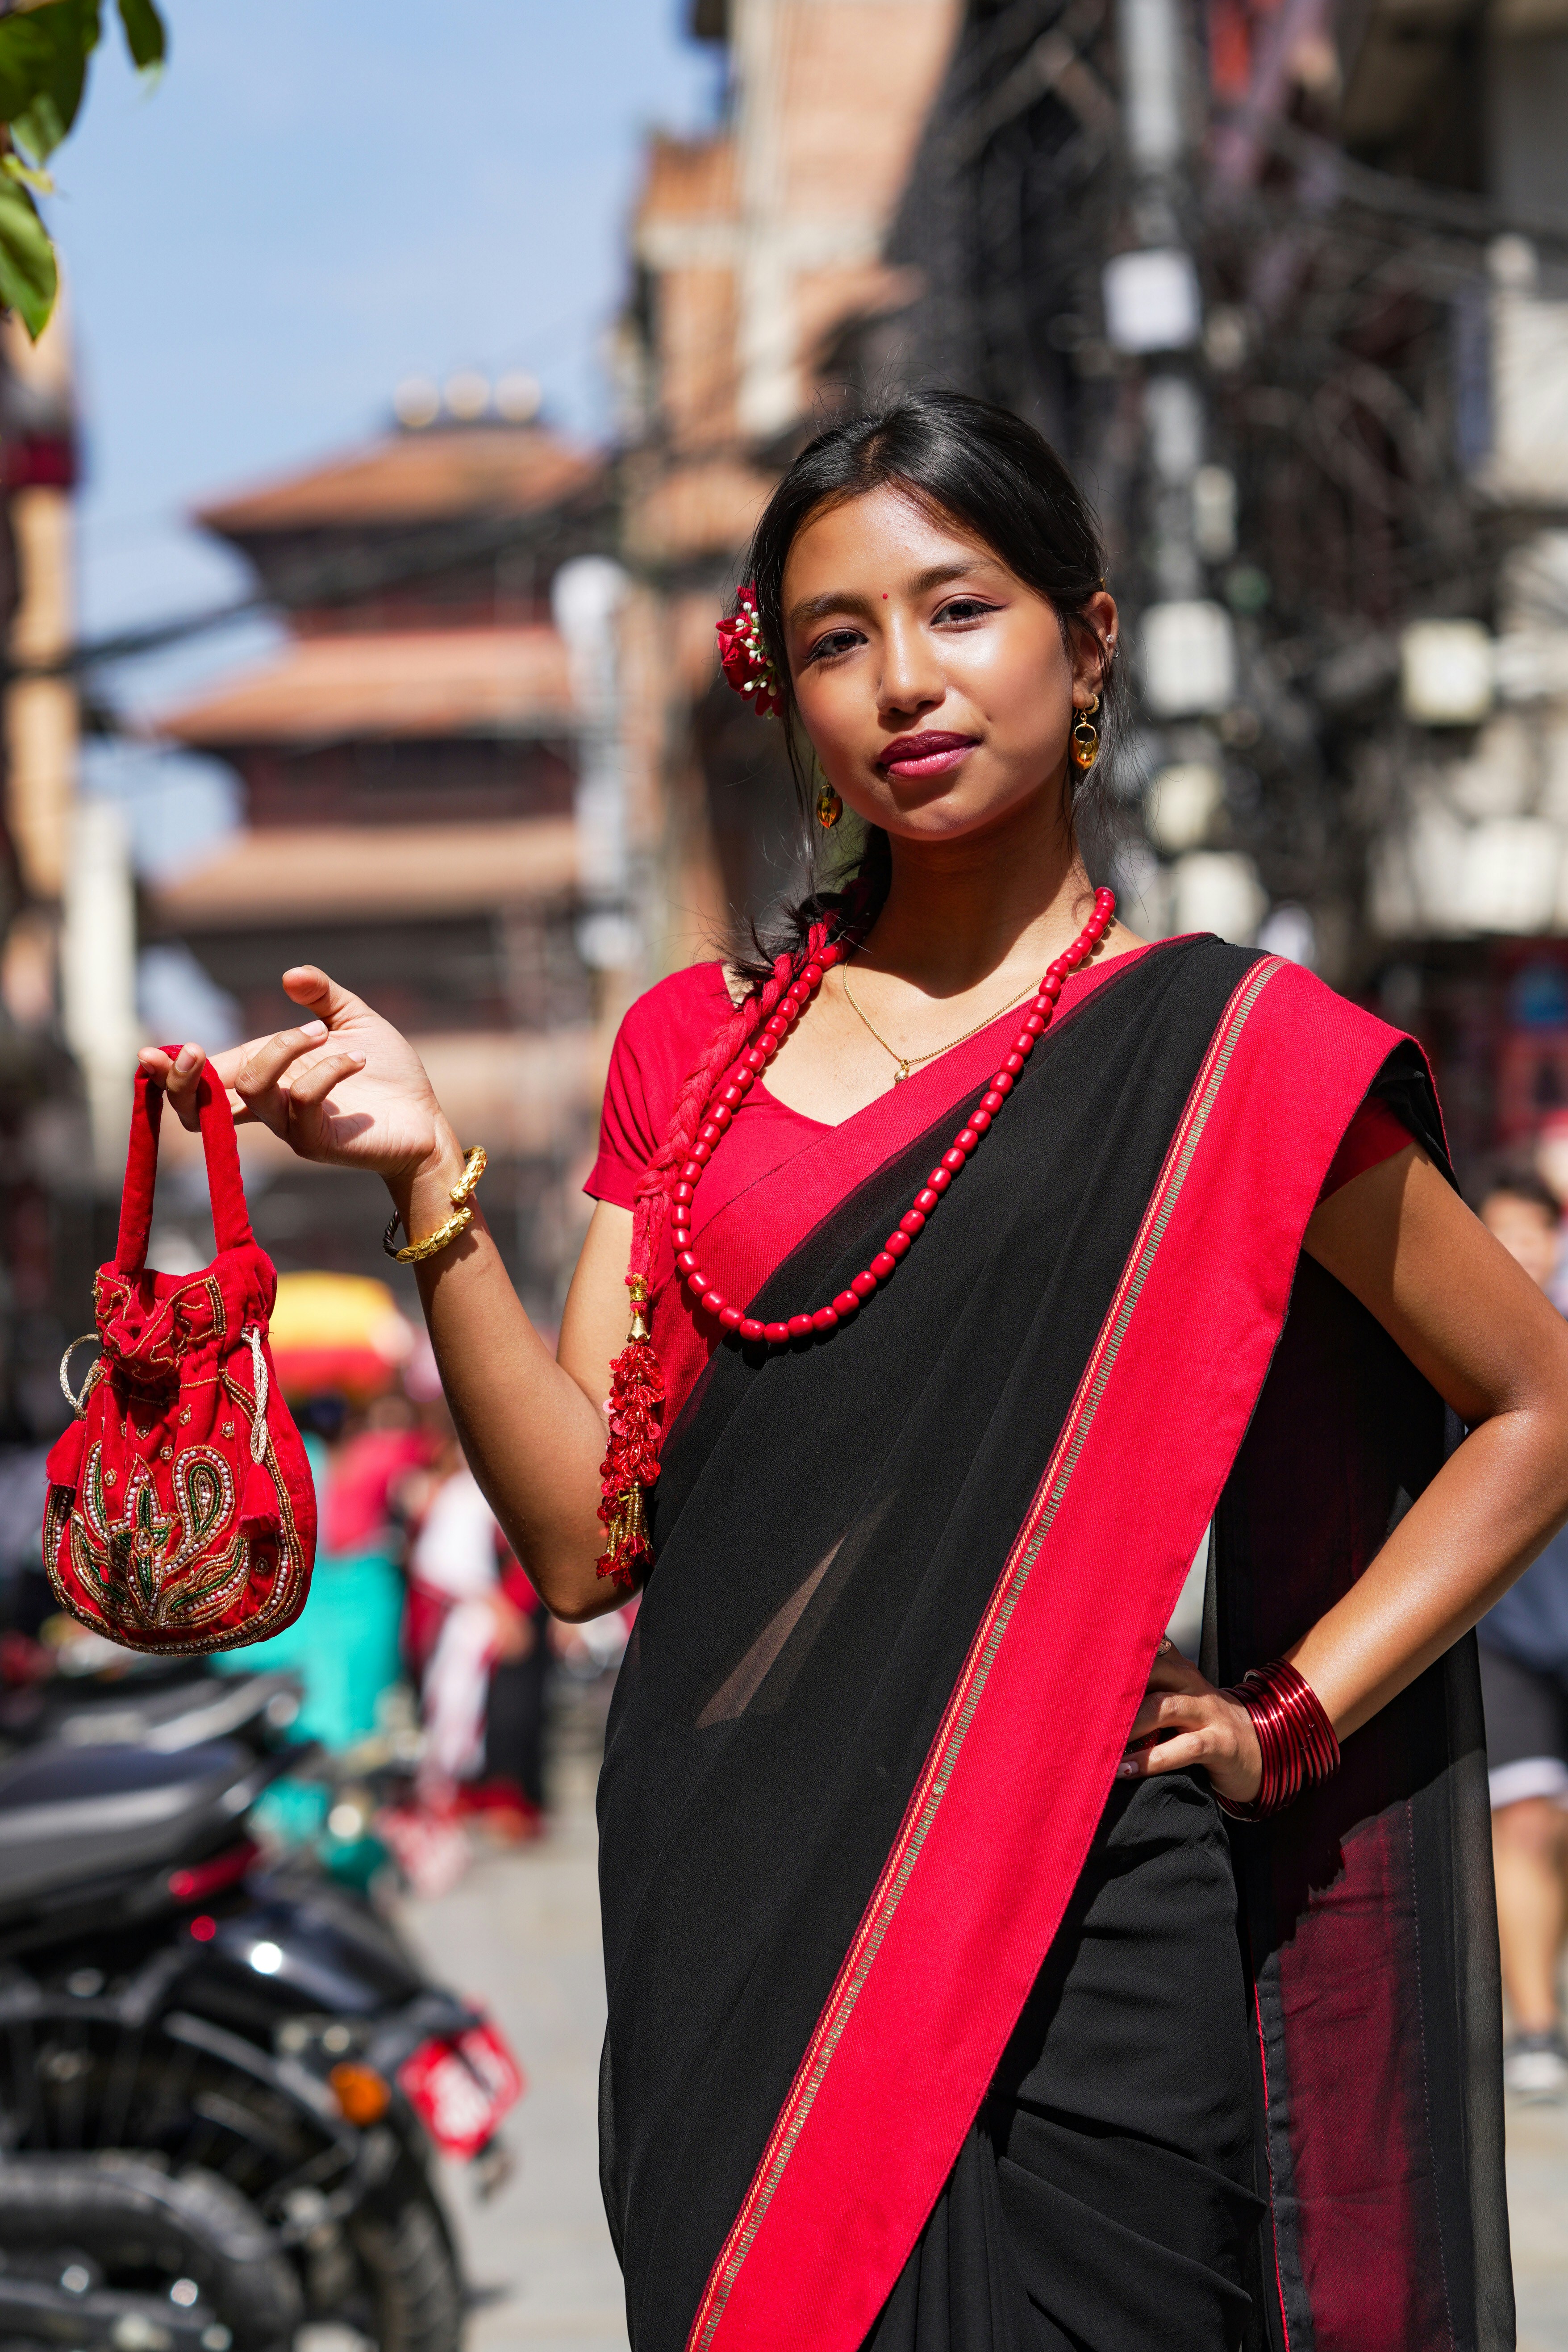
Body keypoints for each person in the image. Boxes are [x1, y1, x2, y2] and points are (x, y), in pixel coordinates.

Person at [141, 391, 1568, 2352]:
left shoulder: (1231, 1058)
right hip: (734, 1919)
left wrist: (1289, 1716)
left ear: (1085, 641)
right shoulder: (690, 1055)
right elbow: (576, 1545)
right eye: (831, 638)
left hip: (1090, 1933)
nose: (901, 680)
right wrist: (423, 1187)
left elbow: (1534, 1409)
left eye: (958, 609)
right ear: (780, 690)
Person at [1476, 1156, 1568, 2098]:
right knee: (1529, 1822)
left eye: (1535, 1231)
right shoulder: (1458, 1352)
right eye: (1499, 1232)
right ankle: (1536, 2027)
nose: (1520, 1250)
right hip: (1503, 1630)